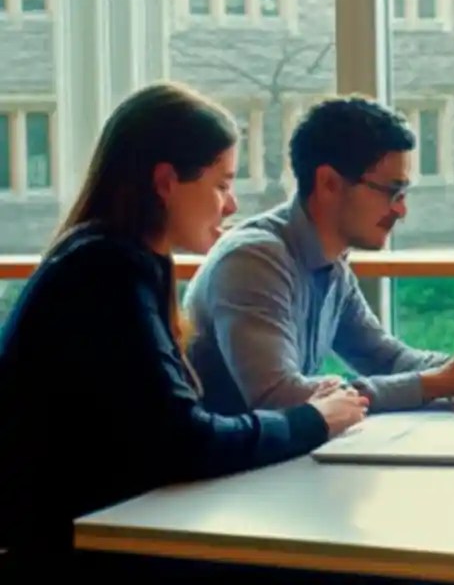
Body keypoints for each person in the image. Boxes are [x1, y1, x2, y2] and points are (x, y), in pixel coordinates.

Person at [0, 83, 367, 562]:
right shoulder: (106, 272)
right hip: (69, 549)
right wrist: (313, 421)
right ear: (166, 181)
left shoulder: (112, 260)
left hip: (103, 526)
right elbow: (184, 441)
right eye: (221, 184)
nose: (232, 205)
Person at [185, 96, 454, 415]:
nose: (401, 209)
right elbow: (280, 397)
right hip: (232, 468)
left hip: (277, 462)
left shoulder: (330, 262)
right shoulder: (254, 260)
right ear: (329, 183)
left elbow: (386, 358)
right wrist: (440, 381)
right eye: (391, 192)